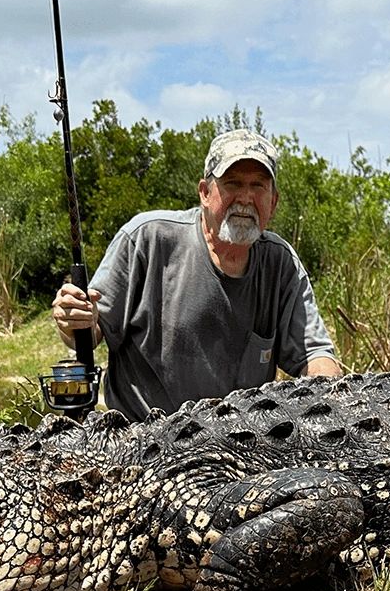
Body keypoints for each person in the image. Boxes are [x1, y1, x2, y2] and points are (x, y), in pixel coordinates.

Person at [51, 127, 343, 419]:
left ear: (273, 201)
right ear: (205, 192)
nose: (245, 198)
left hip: (239, 447)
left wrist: (330, 402)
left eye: (258, 186)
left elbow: (316, 356)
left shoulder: (281, 263)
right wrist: (73, 319)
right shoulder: (146, 239)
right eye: (232, 183)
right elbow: (90, 333)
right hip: (142, 443)